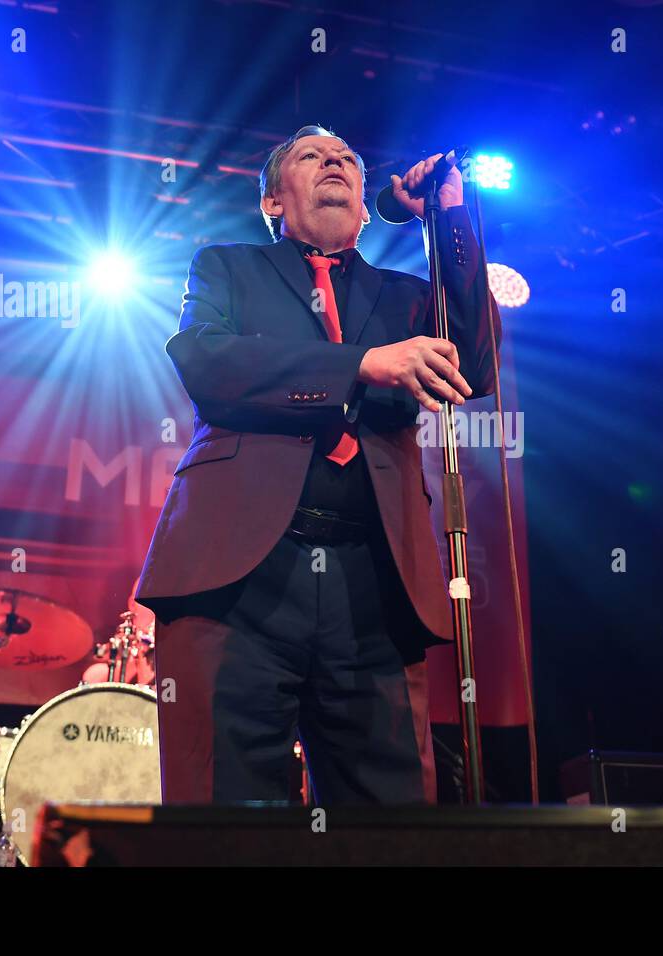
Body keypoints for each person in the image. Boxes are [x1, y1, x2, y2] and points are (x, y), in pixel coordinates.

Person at [135, 125, 500, 805]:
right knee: (226, 805)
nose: (334, 160)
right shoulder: (228, 267)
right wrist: (357, 365)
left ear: (367, 206)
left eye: (349, 161)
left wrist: (447, 213)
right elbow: (205, 362)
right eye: (312, 155)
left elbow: (475, 368)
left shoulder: (404, 297)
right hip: (238, 578)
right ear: (273, 200)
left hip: (375, 578)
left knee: (388, 814)